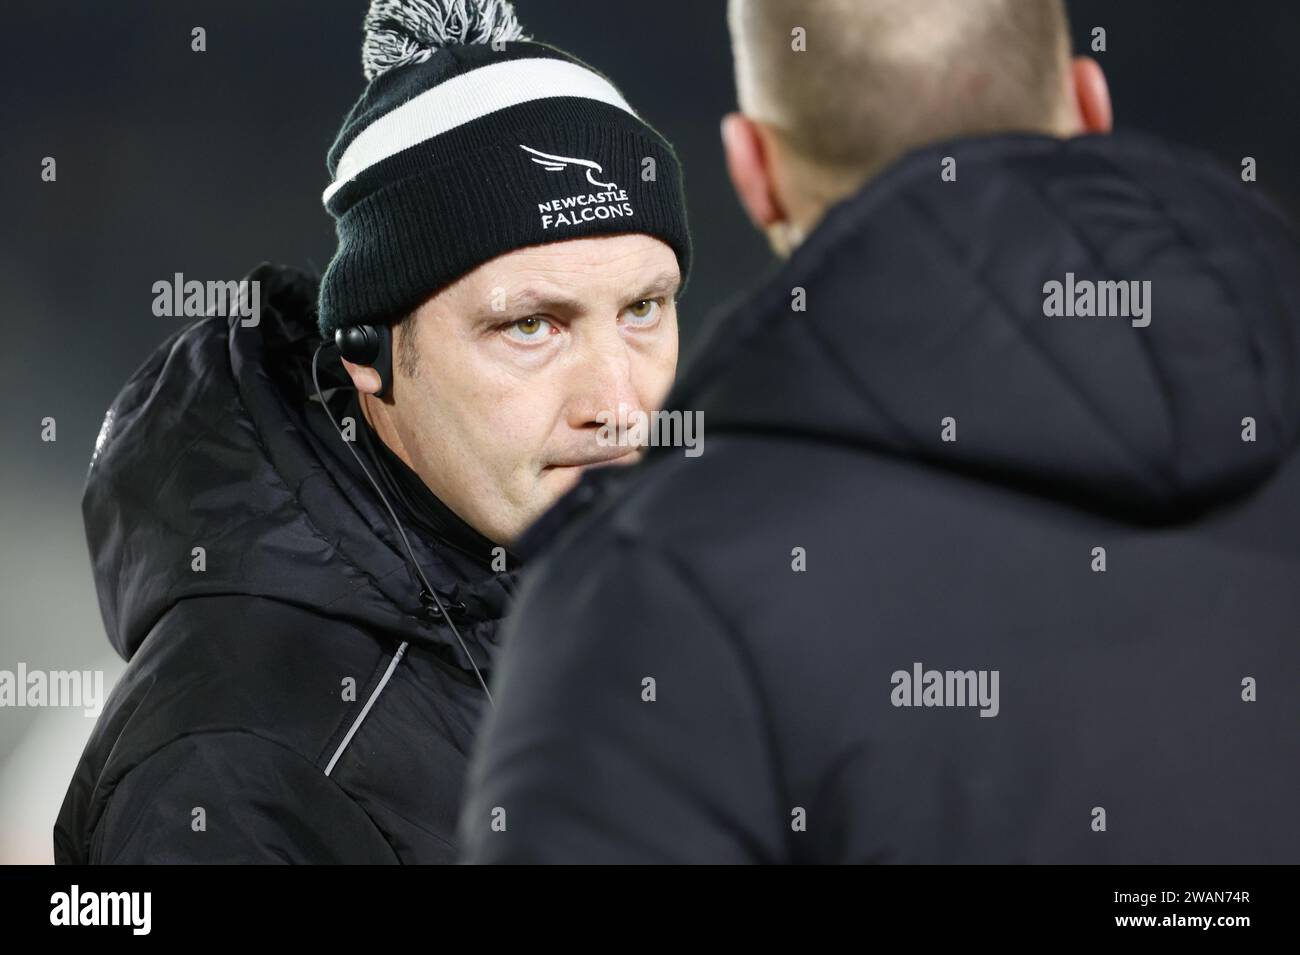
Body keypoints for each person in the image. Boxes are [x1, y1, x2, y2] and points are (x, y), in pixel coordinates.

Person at [460, 0, 1300, 863]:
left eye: (643, 308)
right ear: (1089, 105)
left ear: (755, 171)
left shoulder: (646, 599)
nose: (611, 400)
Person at [54, 0, 690, 864]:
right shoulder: (234, 765)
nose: (619, 400)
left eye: (644, 308)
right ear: (369, 354)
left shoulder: (597, 592)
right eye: (531, 325)